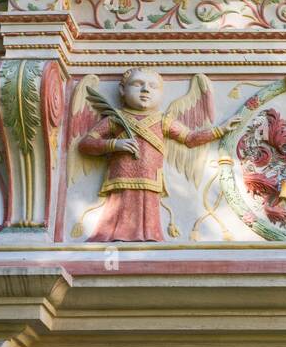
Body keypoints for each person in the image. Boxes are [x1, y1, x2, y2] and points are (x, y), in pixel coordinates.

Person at [78, 68, 237, 242]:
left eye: (153, 86)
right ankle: (111, 235)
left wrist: (219, 130)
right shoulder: (115, 119)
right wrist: (115, 144)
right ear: (122, 90)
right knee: (117, 210)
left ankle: (150, 236)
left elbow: (189, 138)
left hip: (151, 177)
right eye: (138, 84)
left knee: (149, 215)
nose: (145, 90)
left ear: (160, 93)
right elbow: (86, 144)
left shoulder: (163, 120)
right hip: (121, 176)